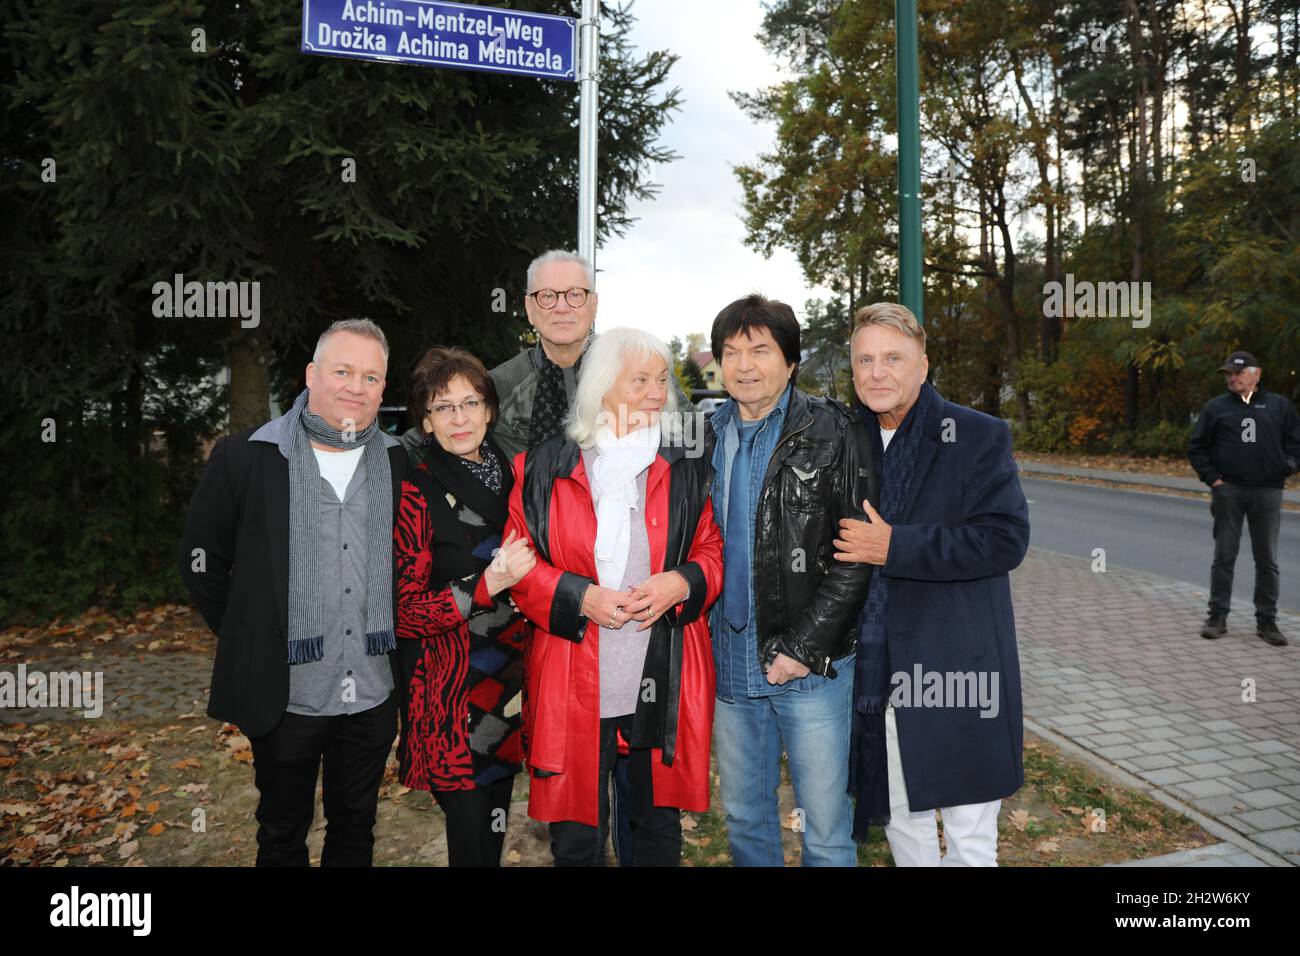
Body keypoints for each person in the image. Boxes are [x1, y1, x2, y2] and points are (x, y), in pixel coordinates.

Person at [400, 249, 695, 864]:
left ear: (593, 302)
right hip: (521, 625)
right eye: (547, 296)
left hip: (634, 629)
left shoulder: (631, 368)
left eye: (575, 294)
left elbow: (690, 461)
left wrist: (686, 573)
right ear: (529, 307)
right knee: (566, 813)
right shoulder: (500, 385)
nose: (562, 306)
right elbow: (429, 440)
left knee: (643, 806)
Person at [180, 319, 407, 866]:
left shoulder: (402, 461)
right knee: (282, 833)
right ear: (312, 374)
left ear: (383, 388)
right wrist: (253, 633)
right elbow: (202, 563)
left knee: (356, 829)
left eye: (371, 376)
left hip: (372, 693)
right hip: (288, 698)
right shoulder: (246, 457)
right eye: (343, 371)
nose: (356, 385)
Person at [504, 327, 723, 866]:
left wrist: (681, 582)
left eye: (662, 379)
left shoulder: (685, 465)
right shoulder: (542, 467)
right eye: (640, 380)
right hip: (576, 679)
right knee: (578, 840)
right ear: (603, 386)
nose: (657, 392)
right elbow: (519, 566)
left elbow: (713, 553)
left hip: (659, 676)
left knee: (654, 832)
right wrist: (579, 597)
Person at [834, 302, 1030, 867]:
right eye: (865, 359)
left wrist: (894, 547)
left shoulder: (976, 435)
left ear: (923, 365)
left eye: (893, 358)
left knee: (969, 839)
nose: (878, 372)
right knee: (903, 825)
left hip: (957, 669)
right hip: (874, 671)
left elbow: (1003, 541)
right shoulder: (847, 441)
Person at [704, 294, 877, 867]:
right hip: (729, 660)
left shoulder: (835, 429)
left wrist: (803, 649)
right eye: (731, 352)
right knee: (746, 821)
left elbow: (857, 555)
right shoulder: (703, 434)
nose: (744, 365)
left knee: (826, 830)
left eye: (760, 350)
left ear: (791, 359)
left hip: (811, 667)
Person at [393, 347, 535, 866]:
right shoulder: (416, 490)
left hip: (511, 693)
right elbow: (406, 612)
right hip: (452, 700)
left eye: (470, 403)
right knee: (470, 842)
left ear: (490, 410)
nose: (460, 418)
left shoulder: (516, 474)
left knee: (492, 835)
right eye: (443, 407)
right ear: (425, 421)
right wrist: (485, 583)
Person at [1188, 350, 1299, 646]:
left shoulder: (1278, 406)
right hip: (1229, 491)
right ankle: (1217, 616)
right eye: (1229, 373)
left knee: (1267, 558)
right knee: (1224, 556)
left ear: (1257, 374)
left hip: (1267, 491)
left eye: (1238, 372)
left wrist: (1287, 467)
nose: (1233, 377)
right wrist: (1214, 480)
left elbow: (1295, 443)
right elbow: (1197, 448)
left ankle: (1267, 621)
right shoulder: (1216, 408)